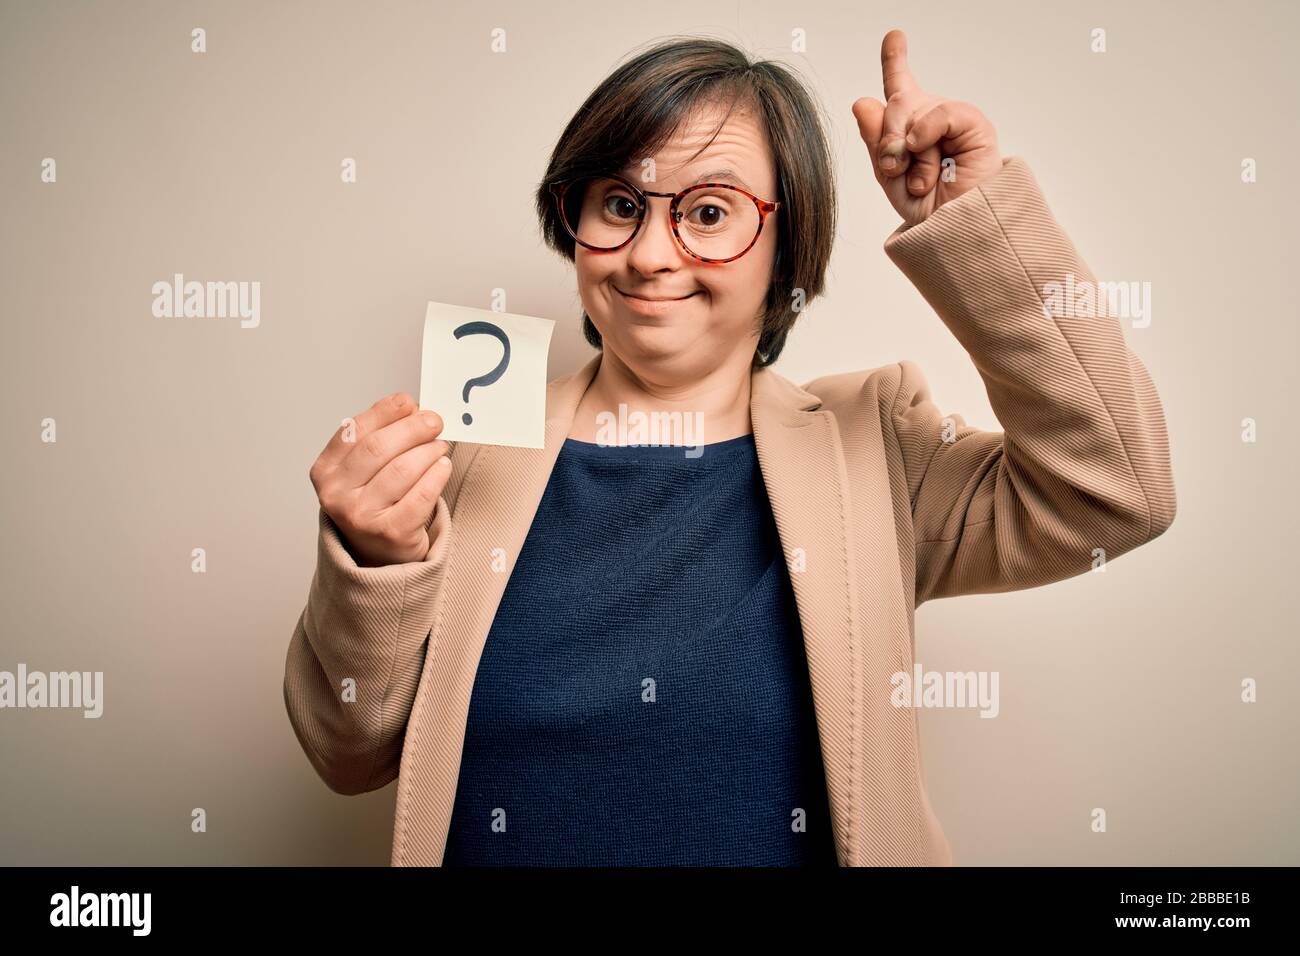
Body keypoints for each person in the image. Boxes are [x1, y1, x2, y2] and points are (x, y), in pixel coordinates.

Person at [283, 30, 1176, 866]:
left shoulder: (874, 446)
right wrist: (374, 563)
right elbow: (347, 753)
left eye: (709, 212)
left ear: (787, 248)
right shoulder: (470, 449)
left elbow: (1118, 489)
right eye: (621, 204)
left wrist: (974, 222)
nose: (649, 255)